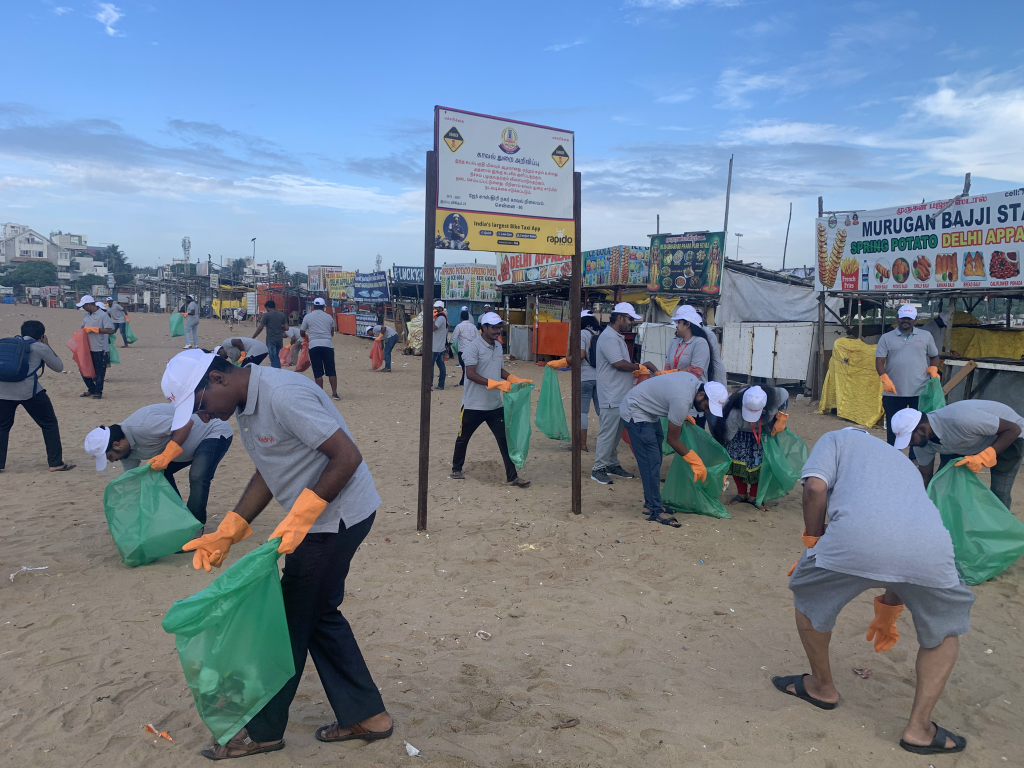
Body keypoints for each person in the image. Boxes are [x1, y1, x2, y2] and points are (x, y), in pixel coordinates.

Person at [161, 349, 391, 759]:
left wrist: (302, 516)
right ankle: (368, 715)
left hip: (335, 520)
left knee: (287, 626)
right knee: (316, 614)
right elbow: (271, 468)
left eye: (199, 405)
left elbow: (347, 457)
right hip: (320, 521)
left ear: (216, 378)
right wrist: (230, 528)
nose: (201, 417)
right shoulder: (245, 403)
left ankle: (262, 732)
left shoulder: (282, 394)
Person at [774, 427, 972, 756]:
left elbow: (815, 489)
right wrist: (888, 610)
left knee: (809, 601)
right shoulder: (902, 461)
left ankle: (822, 687)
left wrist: (813, 541)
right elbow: (899, 536)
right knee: (943, 629)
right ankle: (919, 729)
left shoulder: (835, 439)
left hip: (854, 539)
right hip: (931, 546)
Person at [82, 403, 233, 530]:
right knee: (157, 474)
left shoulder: (143, 425)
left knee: (198, 476)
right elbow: (134, 484)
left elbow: (186, 425)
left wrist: (167, 456)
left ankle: (195, 528)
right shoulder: (127, 453)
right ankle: (182, 519)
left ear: (117, 445)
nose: (112, 461)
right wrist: (127, 524)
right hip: (184, 449)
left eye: (109, 457)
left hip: (212, 433)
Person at [620, 374, 728, 526]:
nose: (707, 412)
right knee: (651, 462)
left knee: (655, 459)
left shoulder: (692, 385)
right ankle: (656, 511)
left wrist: (681, 416)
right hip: (635, 411)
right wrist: (695, 461)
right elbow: (672, 439)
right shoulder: (682, 401)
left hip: (648, 411)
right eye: (707, 407)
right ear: (701, 395)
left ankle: (649, 504)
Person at [448, 312, 531, 487]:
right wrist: (496, 384)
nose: (497, 331)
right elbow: (470, 374)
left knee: (504, 440)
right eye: (494, 327)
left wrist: (512, 379)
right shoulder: (473, 348)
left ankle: (512, 476)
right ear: (484, 327)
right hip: (473, 404)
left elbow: (499, 369)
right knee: (463, 437)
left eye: (499, 327)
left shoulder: (499, 347)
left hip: (494, 405)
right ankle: (456, 468)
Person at [894, 400, 1024, 509]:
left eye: (910, 439)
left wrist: (985, 456)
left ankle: (1000, 532)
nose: (909, 445)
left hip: (1008, 436)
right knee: (943, 484)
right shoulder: (921, 443)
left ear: (922, 429)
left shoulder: (961, 419)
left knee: (999, 492)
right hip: (964, 442)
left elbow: (1014, 429)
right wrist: (920, 504)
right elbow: (926, 477)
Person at [0, 320, 75, 473]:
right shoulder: (39, 346)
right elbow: (58, 367)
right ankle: (55, 463)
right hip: (28, 391)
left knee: (2, 427)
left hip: (3, 390)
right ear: (41, 335)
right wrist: (47, 345)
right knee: (49, 423)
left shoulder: (8, 344)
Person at [591, 302, 650, 485]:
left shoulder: (616, 336)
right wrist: (639, 367)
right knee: (608, 433)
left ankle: (611, 463)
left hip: (619, 394)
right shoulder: (609, 337)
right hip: (611, 394)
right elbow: (618, 363)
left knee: (616, 433)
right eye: (630, 318)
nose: (631, 322)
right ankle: (598, 468)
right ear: (620, 318)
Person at [875, 304, 940, 455]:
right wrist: (884, 377)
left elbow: (934, 356)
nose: (906, 321)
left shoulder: (926, 336)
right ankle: (893, 455)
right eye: (903, 317)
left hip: (919, 390)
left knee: (918, 426)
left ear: (915, 320)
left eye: (909, 318)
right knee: (894, 425)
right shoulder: (886, 338)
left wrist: (934, 369)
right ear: (897, 318)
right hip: (893, 391)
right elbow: (879, 361)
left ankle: (914, 456)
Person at [713, 384, 790, 509]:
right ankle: (741, 494)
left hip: (762, 433)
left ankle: (754, 496)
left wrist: (782, 415)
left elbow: (785, 394)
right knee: (736, 462)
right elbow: (727, 439)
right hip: (738, 434)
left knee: (761, 466)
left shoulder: (775, 396)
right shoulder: (733, 412)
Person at [648, 305, 723, 428]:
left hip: (692, 398)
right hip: (673, 395)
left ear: (687, 324)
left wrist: (670, 374)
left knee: (691, 438)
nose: (676, 325)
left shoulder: (700, 342)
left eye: (679, 322)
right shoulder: (675, 342)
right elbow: (667, 367)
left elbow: (695, 372)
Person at [546, 310, 601, 451]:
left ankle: (582, 445)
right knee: (602, 413)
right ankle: (607, 444)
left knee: (582, 412)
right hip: (600, 378)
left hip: (585, 378)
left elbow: (581, 355)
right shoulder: (599, 334)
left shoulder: (582, 334)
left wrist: (562, 362)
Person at [76, 294, 115, 399]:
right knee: (84, 370)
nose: (83, 308)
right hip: (87, 347)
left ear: (89, 304)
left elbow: (111, 330)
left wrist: (96, 330)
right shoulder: (86, 315)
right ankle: (91, 389)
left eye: (84, 306)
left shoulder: (103, 315)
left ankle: (98, 391)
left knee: (99, 372)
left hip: (100, 348)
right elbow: (83, 327)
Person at [300, 298, 339, 400]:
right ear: (324, 306)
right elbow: (331, 333)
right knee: (331, 370)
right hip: (327, 345)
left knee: (317, 371)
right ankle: (334, 393)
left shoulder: (308, 317)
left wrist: (307, 337)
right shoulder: (329, 317)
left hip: (313, 345)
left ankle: (321, 395)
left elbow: (302, 332)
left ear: (313, 306)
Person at [253, 300, 289, 369]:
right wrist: (279, 327)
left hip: (271, 339)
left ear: (267, 307)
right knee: (276, 356)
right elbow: (287, 328)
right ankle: (277, 370)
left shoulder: (266, 315)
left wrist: (254, 336)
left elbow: (260, 328)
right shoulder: (282, 315)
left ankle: (276, 372)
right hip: (279, 339)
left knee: (273, 357)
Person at [449, 309, 478, 385]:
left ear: (460, 318)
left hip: (462, 350)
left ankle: (464, 381)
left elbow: (453, 337)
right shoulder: (473, 327)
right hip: (472, 350)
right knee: (468, 366)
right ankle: (465, 381)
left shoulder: (459, 326)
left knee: (464, 366)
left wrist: (448, 345)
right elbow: (477, 338)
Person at [430, 301, 449, 390]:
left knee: (430, 365)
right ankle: (440, 385)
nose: (435, 309)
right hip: (439, 346)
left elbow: (433, 328)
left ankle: (429, 383)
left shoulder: (441, 318)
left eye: (437, 308)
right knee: (441, 365)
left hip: (436, 347)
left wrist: (432, 318)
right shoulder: (440, 317)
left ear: (441, 308)